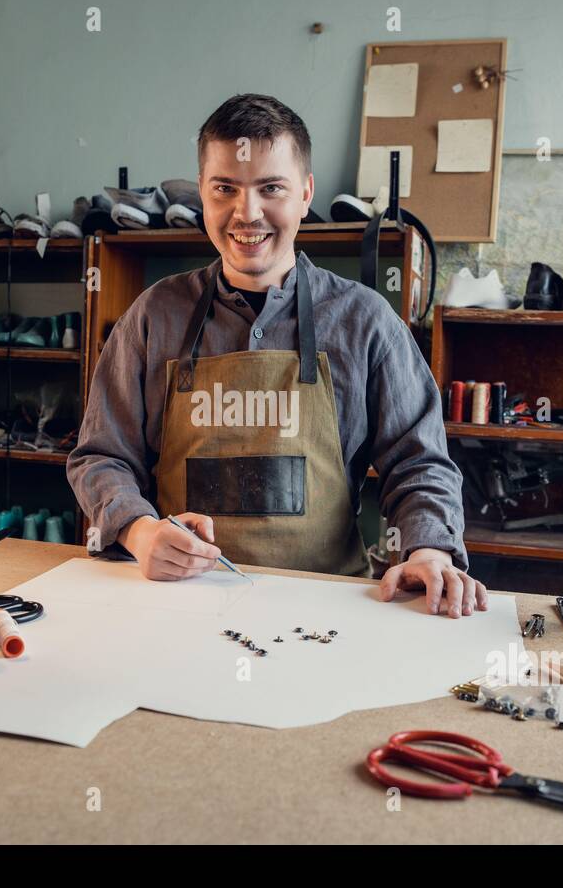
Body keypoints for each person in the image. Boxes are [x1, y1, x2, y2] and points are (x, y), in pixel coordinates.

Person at [66, 94, 487, 618]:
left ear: (305, 193)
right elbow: (101, 456)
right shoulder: (155, 315)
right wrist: (138, 530)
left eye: (271, 189)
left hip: (326, 610)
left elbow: (419, 462)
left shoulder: (366, 321)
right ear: (202, 193)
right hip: (178, 607)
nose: (248, 213)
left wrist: (428, 549)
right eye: (225, 189)